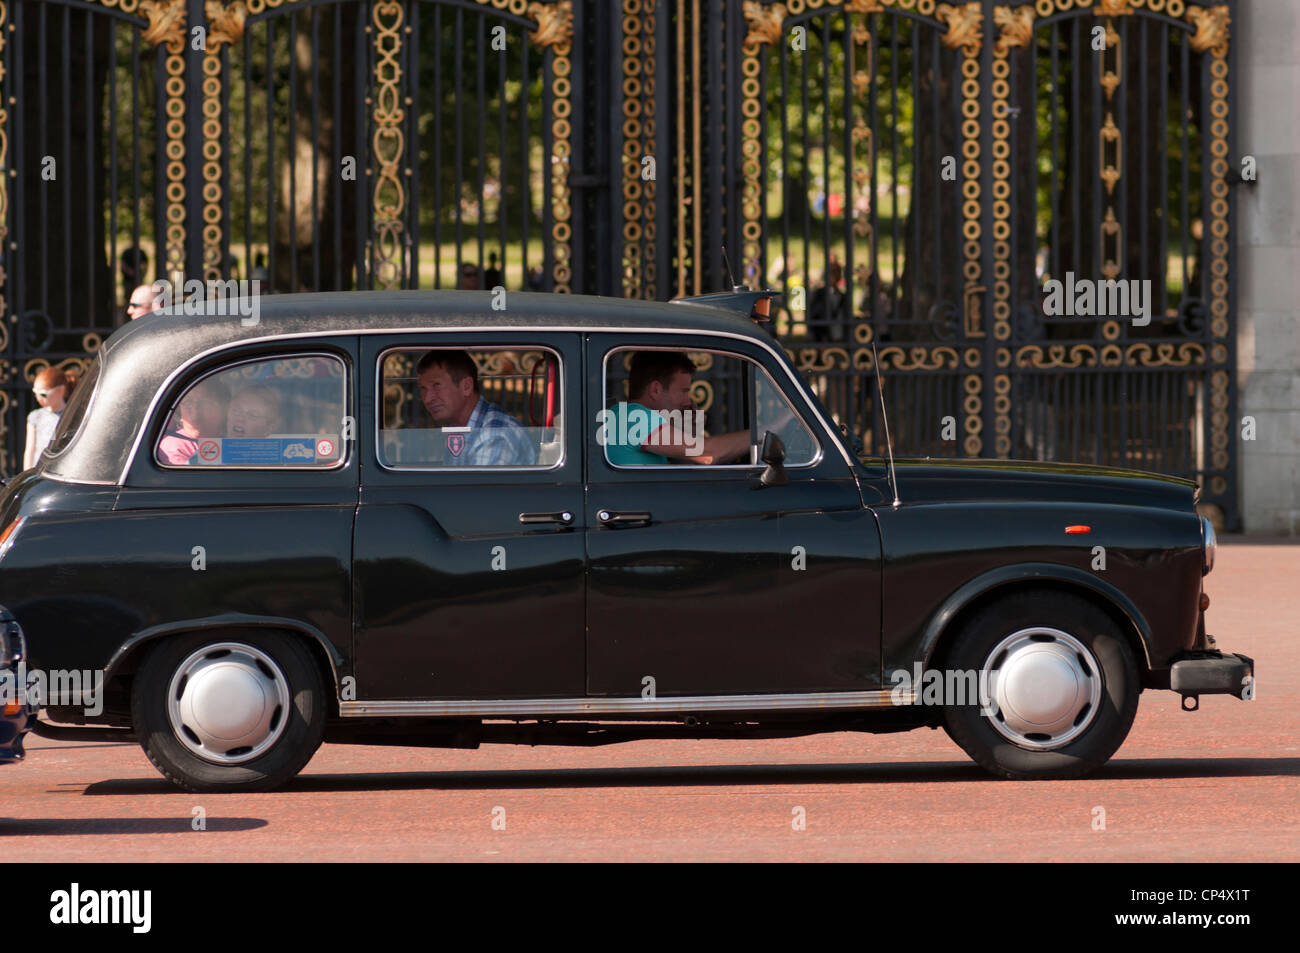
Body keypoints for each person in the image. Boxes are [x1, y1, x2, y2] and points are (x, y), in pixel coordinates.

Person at [604, 351, 750, 466]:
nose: (688, 401)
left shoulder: (623, 415)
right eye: (683, 391)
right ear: (655, 390)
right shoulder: (637, 418)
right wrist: (762, 433)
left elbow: (685, 471)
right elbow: (708, 455)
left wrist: (691, 432)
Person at [416, 350, 535, 466]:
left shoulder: (495, 434)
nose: (427, 399)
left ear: (466, 387)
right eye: (423, 388)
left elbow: (481, 485)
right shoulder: (458, 428)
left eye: (436, 385)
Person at [158, 378, 229, 464]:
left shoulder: (233, 441)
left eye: (205, 402)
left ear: (222, 410)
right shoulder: (173, 445)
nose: (195, 410)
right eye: (188, 402)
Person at [24, 366, 77, 469]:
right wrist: (27, 473)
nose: (38, 398)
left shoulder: (72, 415)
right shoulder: (35, 417)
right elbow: (30, 449)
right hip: (39, 472)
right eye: (36, 393)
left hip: (63, 471)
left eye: (43, 394)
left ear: (60, 390)